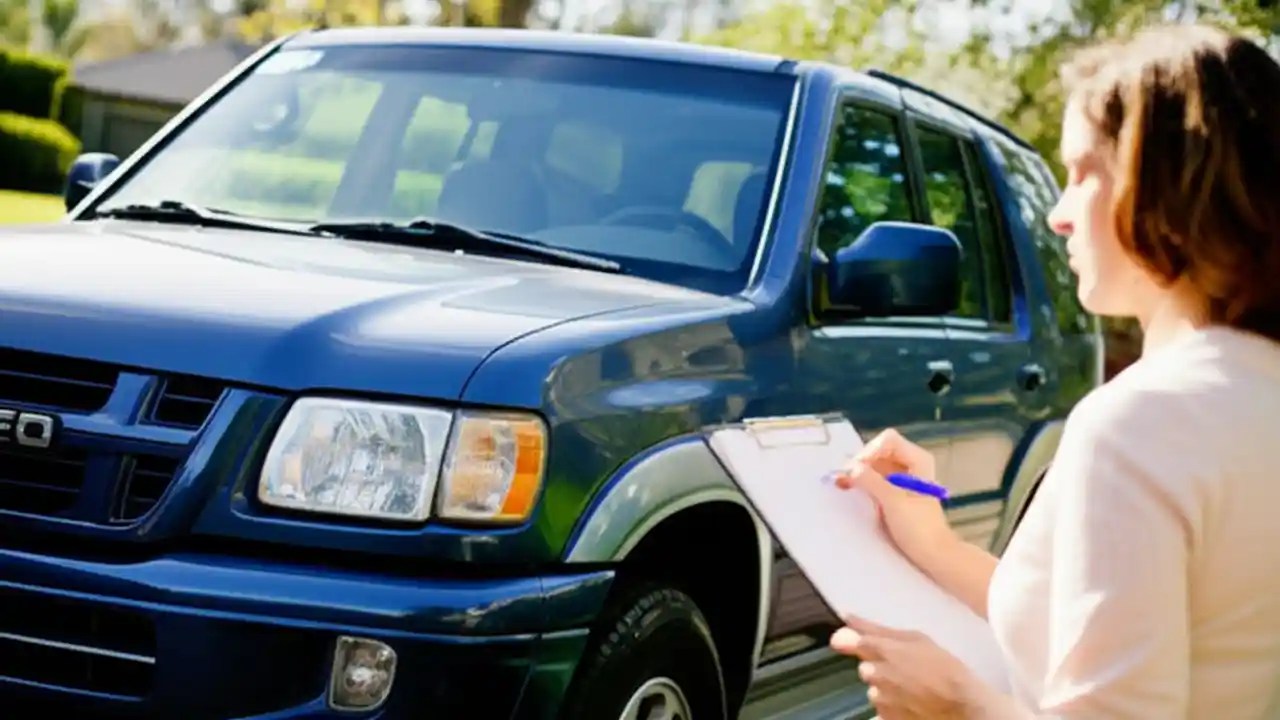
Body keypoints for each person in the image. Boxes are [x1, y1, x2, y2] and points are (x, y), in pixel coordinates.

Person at [829, 22, 1280, 720]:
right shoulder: (1251, 392)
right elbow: (1102, 630)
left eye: (1080, 174)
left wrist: (957, 702)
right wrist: (935, 543)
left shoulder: (1144, 419)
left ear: (1160, 183)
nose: (1060, 216)